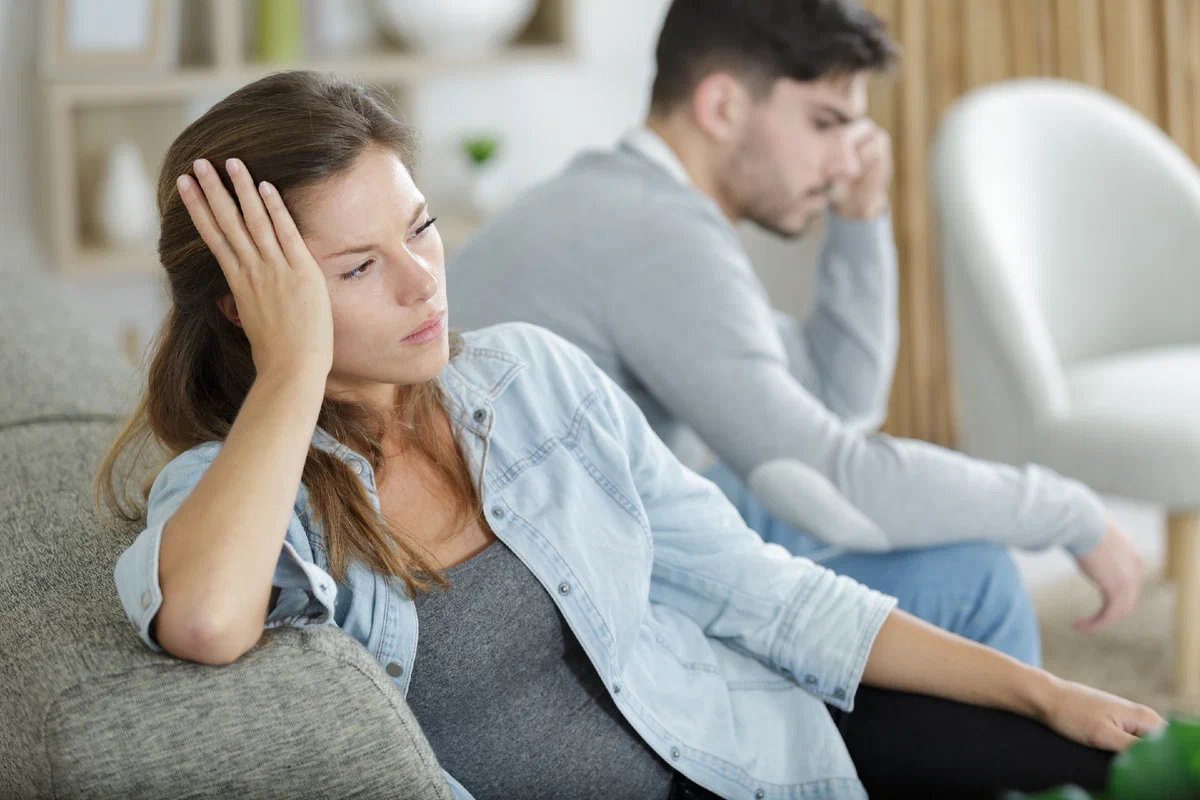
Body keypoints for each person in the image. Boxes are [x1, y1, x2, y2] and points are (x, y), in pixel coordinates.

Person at [100, 70, 1162, 800]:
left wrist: (1045, 685)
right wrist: (295, 371)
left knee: (1099, 747)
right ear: (256, 301)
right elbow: (201, 618)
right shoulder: (233, 489)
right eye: (357, 268)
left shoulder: (526, 373)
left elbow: (758, 586)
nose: (426, 281)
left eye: (419, 228)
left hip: (737, 746)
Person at [445, 0, 1144, 668]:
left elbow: (838, 404)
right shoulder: (657, 236)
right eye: (825, 122)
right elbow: (831, 486)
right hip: (563, 604)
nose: (848, 160)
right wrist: (1071, 511)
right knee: (976, 580)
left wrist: (860, 219)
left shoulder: (624, 202)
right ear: (722, 107)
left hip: (595, 543)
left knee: (914, 531)